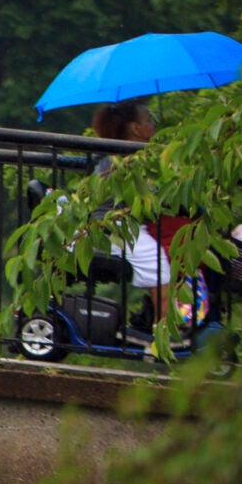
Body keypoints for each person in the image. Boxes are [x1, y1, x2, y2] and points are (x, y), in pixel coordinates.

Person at [92, 99, 179, 324]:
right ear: (136, 129)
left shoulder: (119, 155)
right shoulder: (125, 159)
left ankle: (163, 324)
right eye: (148, 121)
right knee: (158, 266)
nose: (153, 125)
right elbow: (151, 197)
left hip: (119, 224)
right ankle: (165, 329)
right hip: (114, 226)